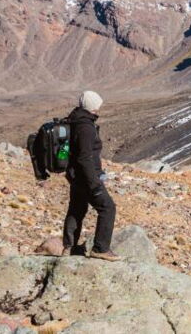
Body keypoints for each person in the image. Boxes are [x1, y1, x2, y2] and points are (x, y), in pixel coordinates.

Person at [61, 90, 122, 261]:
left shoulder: (74, 120)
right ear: (93, 106)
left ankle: (69, 247)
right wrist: (94, 182)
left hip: (75, 175)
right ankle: (101, 248)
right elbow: (84, 157)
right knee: (107, 208)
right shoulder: (86, 127)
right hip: (86, 176)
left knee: (77, 209)